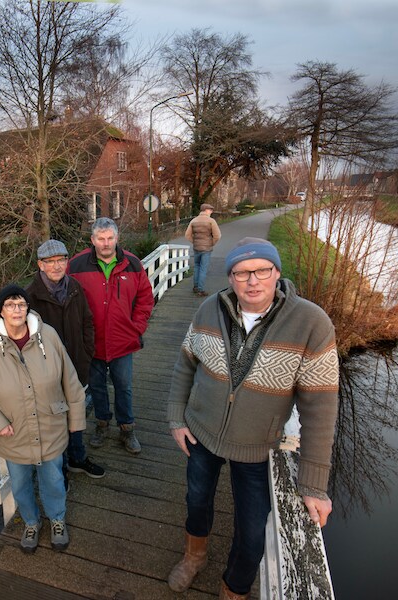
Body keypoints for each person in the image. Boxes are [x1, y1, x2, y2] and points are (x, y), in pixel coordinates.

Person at [166, 238, 339, 599]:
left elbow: (320, 408)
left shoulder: (311, 323)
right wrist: (176, 418)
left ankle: (235, 588)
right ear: (230, 278)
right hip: (202, 432)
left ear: (277, 272)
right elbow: (185, 363)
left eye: (262, 270)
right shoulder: (209, 310)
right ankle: (194, 556)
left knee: (252, 530)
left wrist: (313, 482)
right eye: (242, 272)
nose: (253, 280)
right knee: (197, 500)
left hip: (260, 445)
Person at [0, 284, 86, 554]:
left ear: (27, 308)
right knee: (19, 483)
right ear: (1, 312)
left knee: (53, 479)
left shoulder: (49, 336)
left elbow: (70, 379)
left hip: (51, 425)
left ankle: (56, 519)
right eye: (10, 305)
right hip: (13, 432)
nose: (17, 310)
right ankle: (31, 522)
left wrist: (75, 422)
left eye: (21, 304)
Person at [67, 217, 155, 455]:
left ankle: (127, 428)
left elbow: (146, 298)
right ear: (92, 240)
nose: (106, 243)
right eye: (100, 239)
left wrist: (136, 328)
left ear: (117, 238)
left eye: (110, 238)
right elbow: (66, 298)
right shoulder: (76, 266)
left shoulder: (133, 264)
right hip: (91, 342)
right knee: (96, 386)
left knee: (124, 386)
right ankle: (102, 424)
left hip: (123, 340)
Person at [25, 239, 106, 483]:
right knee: (55, 422)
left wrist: (86, 353)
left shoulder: (75, 288)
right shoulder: (30, 297)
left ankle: (77, 458)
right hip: (48, 375)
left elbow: (87, 321)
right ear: (40, 265)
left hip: (77, 367)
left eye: (61, 260)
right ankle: (60, 469)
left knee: (76, 414)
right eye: (50, 262)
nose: (57, 266)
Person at [184, 203, 221, 296]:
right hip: (206, 248)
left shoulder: (194, 221)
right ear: (206, 210)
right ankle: (200, 289)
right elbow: (217, 235)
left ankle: (195, 287)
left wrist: (195, 242)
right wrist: (211, 243)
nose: (211, 212)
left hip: (196, 248)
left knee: (197, 267)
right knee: (203, 268)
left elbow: (187, 235)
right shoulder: (211, 221)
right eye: (210, 210)